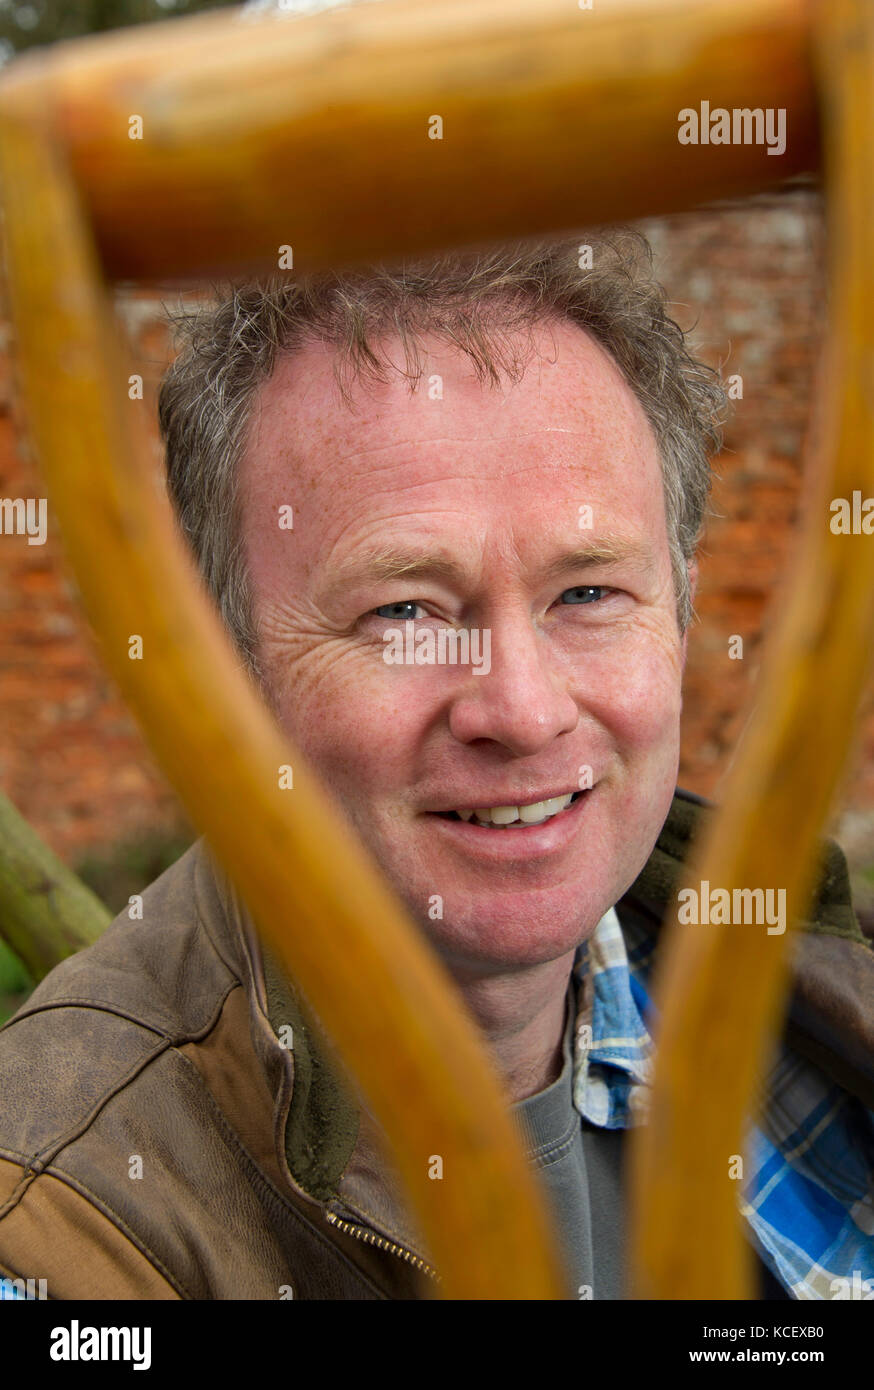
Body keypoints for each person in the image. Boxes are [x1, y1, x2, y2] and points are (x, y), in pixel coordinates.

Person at [0, 232, 871, 1300]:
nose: (522, 708)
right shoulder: (63, 1233)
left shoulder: (816, 978)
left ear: (682, 616)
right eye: (405, 611)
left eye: (587, 594)